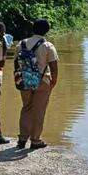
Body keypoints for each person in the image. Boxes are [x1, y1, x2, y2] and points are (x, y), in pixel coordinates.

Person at [15, 19, 59, 150]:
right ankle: (35, 140)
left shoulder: (21, 44)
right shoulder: (48, 46)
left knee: (26, 108)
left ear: (33, 29)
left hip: (24, 80)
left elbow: (16, 64)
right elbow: (54, 66)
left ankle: (22, 139)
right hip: (42, 81)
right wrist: (54, 81)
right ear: (47, 30)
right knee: (39, 111)